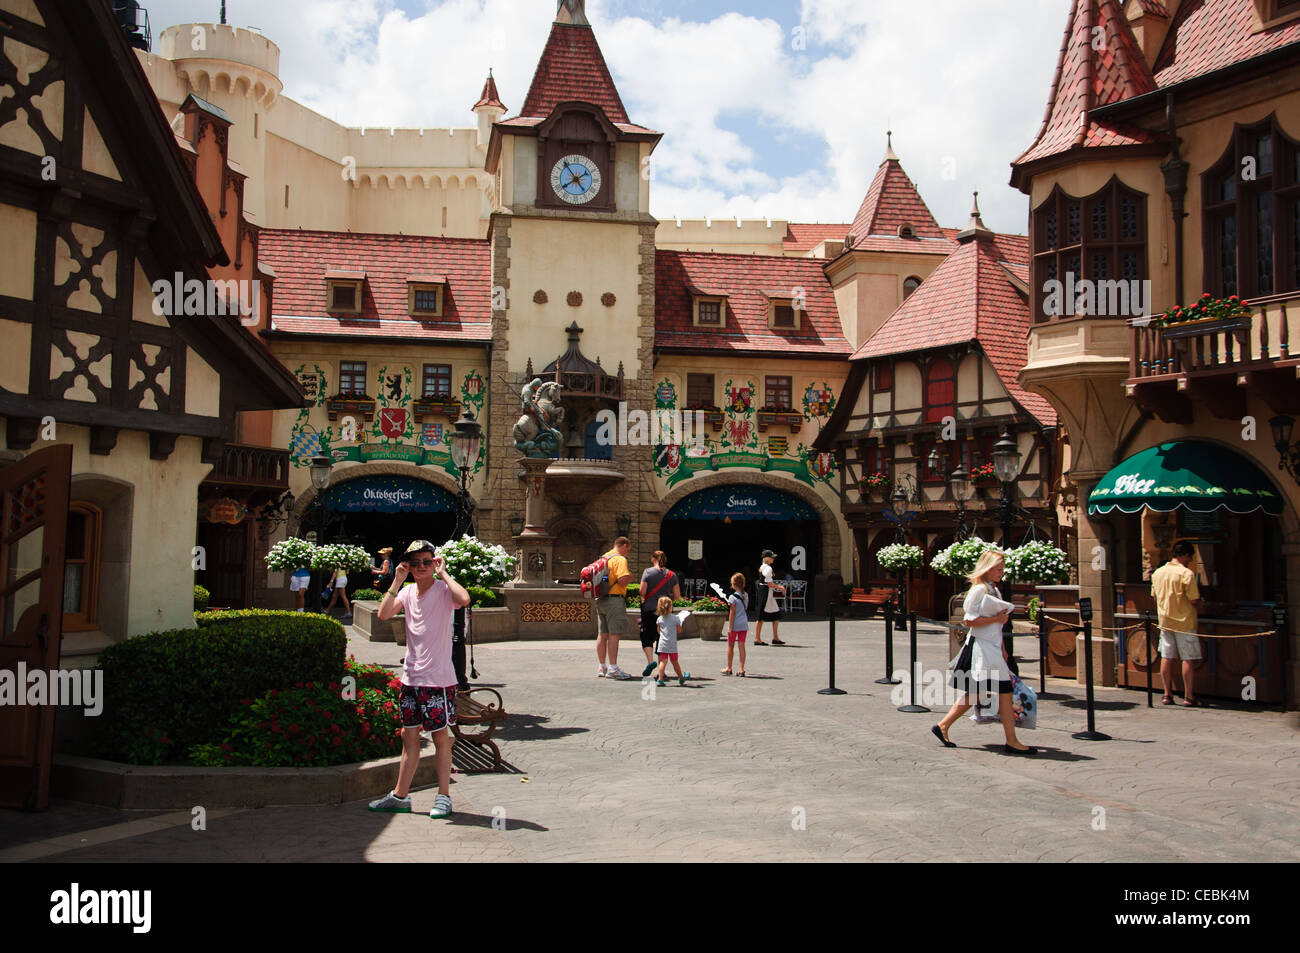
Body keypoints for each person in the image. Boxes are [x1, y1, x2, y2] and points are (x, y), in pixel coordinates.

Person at [369, 540, 471, 817]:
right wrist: (397, 580)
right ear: (409, 566)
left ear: (434, 562)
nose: (421, 567)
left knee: (440, 738)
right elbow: (383, 614)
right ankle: (400, 795)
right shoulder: (408, 591)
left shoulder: (443, 590)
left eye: (427, 561)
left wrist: (444, 574)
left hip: (437, 679)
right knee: (409, 737)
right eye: (415, 563)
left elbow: (464, 600)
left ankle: (444, 796)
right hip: (411, 678)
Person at [932, 549, 1036, 755]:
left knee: (990, 693)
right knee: (985, 693)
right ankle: (1010, 740)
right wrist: (996, 619)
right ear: (987, 569)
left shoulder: (992, 590)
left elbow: (995, 626)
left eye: (1002, 568)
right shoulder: (979, 590)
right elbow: (969, 620)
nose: (1001, 572)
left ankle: (944, 726)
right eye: (998, 568)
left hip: (992, 649)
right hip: (982, 650)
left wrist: (1004, 648)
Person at [1151, 540, 1204, 707]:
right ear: (1184, 555)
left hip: (1165, 621)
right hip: (1184, 621)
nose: (1190, 560)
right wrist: (1202, 603)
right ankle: (1189, 696)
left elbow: (1154, 596)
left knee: (1167, 657)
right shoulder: (1186, 574)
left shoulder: (1158, 573)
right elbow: (1194, 599)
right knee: (1187, 658)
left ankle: (1167, 694)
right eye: (1190, 556)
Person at [596, 536, 634, 680]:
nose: (627, 553)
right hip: (614, 600)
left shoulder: (604, 557)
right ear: (623, 545)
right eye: (627, 550)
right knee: (614, 634)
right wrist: (630, 576)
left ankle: (602, 666)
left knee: (602, 633)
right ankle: (613, 668)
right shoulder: (620, 559)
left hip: (601, 599)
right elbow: (623, 580)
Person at [638, 551, 681, 677]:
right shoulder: (672, 575)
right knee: (661, 639)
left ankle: (650, 662)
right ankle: (661, 672)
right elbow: (677, 596)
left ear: (653, 559)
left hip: (649, 609)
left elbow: (642, 591)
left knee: (646, 636)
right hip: (665, 612)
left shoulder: (647, 572)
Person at [654, 596, 691, 687]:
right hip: (672, 644)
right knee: (675, 661)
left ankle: (660, 679)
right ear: (670, 607)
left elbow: (658, 630)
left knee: (663, 661)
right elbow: (679, 630)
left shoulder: (659, 619)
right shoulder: (675, 618)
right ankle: (681, 677)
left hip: (662, 644)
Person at [753, 550, 786, 646]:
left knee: (776, 613)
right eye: (772, 557)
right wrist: (781, 587)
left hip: (766, 592)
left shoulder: (763, 567)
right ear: (767, 558)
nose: (773, 558)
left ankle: (775, 637)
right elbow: (770, 584)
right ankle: (757, 638)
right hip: (766, 592)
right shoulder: (768, 568)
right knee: (761, 615)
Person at [721, 572, 749, 677]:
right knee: (741, 646)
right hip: (744, 624)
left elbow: (732, 614)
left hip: (735, 625)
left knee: (730, 646)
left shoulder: (732, 597)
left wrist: (729, 627)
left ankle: (729, 667)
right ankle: (741, 669)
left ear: (733, 584)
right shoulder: (746, 595)